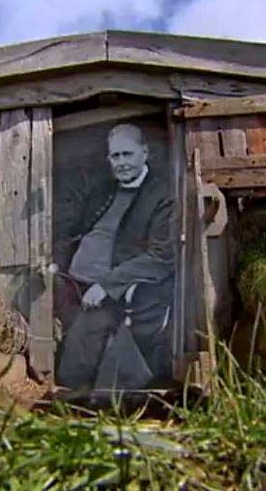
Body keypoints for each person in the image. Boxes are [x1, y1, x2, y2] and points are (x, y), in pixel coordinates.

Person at [51, 123, 175, 390]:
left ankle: (75, 401)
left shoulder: (162, 196)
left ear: (145, 153)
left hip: (114, 292)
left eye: (127, 154)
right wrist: (56, 263)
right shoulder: (103, 190)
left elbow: (161, 256)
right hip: (74, 281)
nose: (122, 163)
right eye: (115, 156)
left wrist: (106, 285)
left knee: (80, 347)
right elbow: (76, 232)